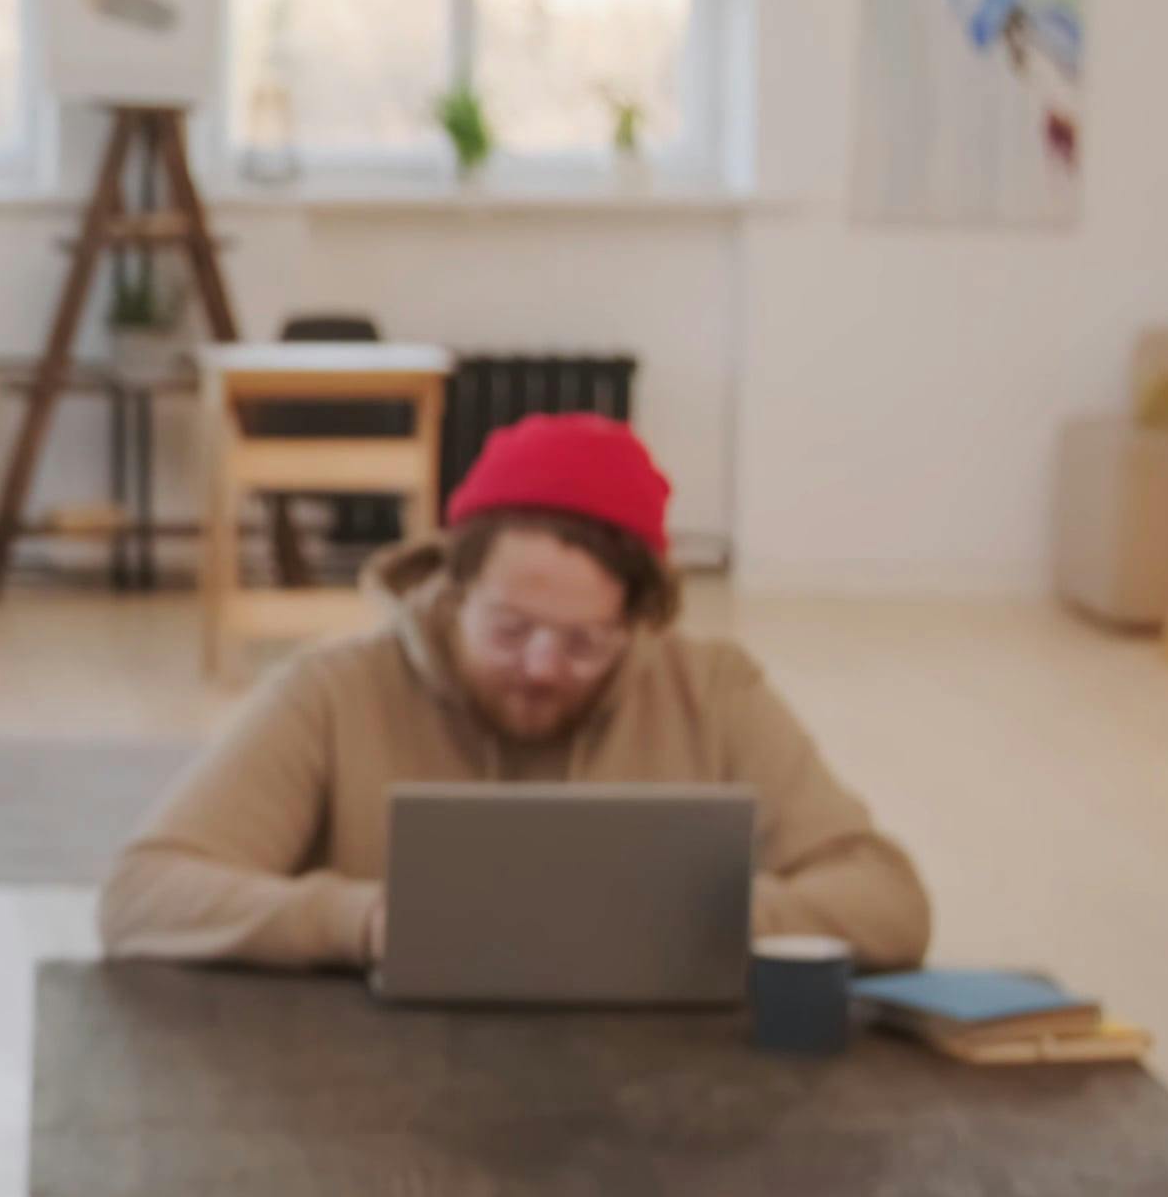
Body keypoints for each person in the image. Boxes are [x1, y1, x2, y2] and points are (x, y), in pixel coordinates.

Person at [99, 413, 931, 971]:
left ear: (638, 623)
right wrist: (373, 921)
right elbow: (143, 896)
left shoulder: (710, 690)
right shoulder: (336, 691)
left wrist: (689, 918)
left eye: (582, 643)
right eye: (510, 629)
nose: (540, 665)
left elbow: (888, 903)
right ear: (451, 587)